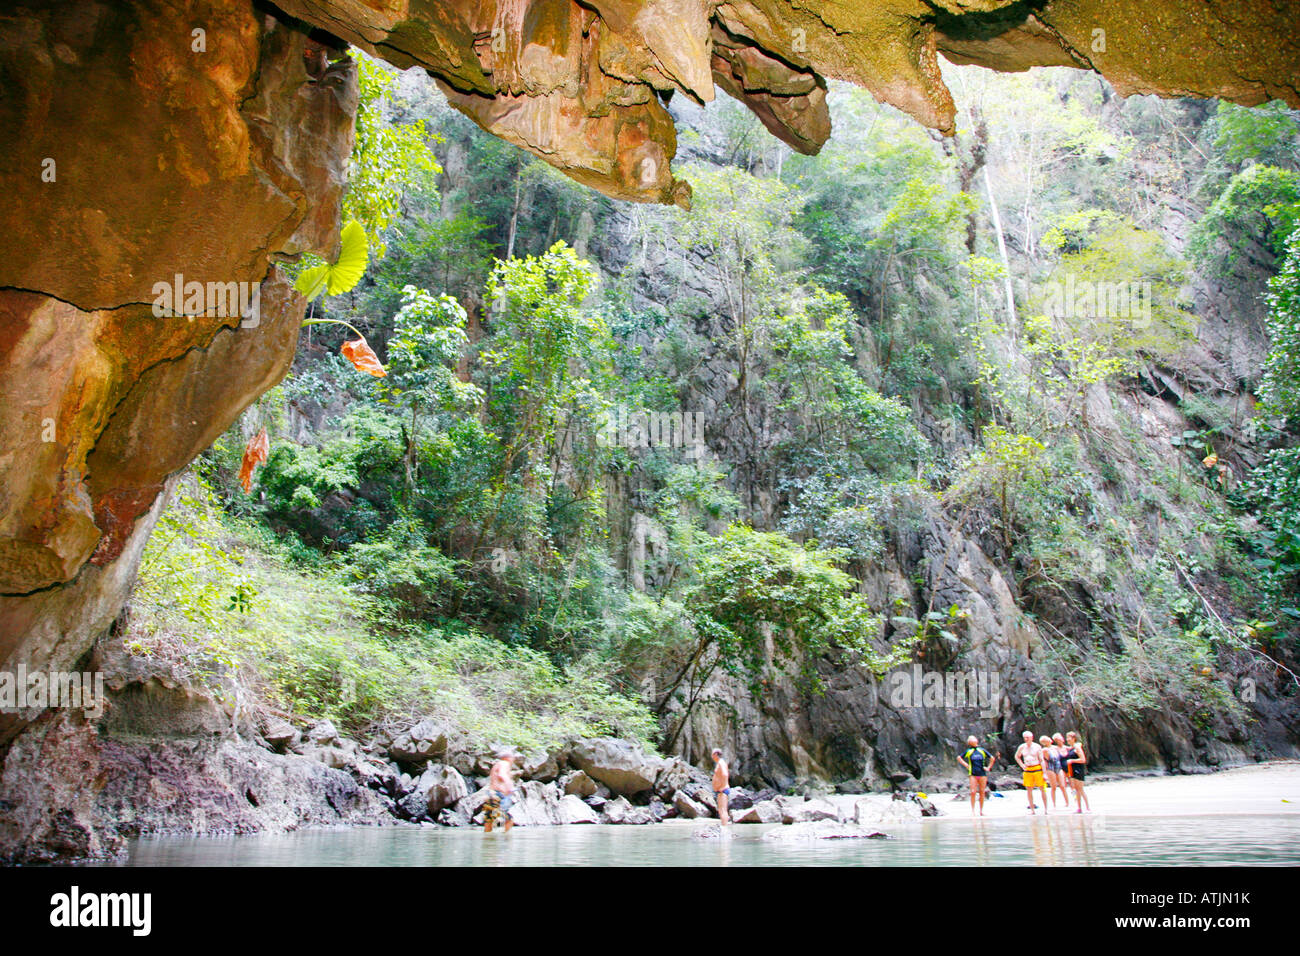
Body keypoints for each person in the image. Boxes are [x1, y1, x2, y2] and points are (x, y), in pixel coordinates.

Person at [957, 735, 996, 815]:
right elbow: (959, 758)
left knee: (982, 792)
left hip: (982, 774)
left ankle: (981, 811)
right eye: (971, 741)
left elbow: (992, 758)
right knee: (973, 792)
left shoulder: (981, 750)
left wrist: (988, 767)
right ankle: (973, 811)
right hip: (973, 774)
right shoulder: (969, 751)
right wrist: (966, 765)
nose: (973, 742)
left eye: (974, 740)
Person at [483, 751, 519, 833]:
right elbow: (502, 775)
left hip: (490, 794)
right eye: (513, 758)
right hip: (497, 795)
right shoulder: (504, 763)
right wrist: (510, 787)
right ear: (508, 758)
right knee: (509, 820)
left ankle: (487, 842)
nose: (513, 760)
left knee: (489, 820)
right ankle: (506, 842)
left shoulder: (497, 764)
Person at [1015, 730, 1048, 814]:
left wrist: (1044, 773)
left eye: (1028, 737)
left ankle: (1046, 809)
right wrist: (1022, 765)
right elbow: (1017, 756)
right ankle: (1032, 809)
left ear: (1032, 738)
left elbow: (1042, 760)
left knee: (1042, 788)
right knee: (1029, 789)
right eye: (1025, 738)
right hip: (1028, 769)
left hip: (1037, 768)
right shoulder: (1022, 747)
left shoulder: (1037, 747)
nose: (1026, 739)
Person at [1064, 731, 1091, 813]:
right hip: (1073, 770)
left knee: (1080, 789)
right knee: (1076, 789)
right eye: (1066, 737)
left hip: (1078, 769)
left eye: (1069, 737)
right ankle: (1079, 808)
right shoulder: (1071, 748)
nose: (1067, 739)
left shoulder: (1077, 747)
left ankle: (1087, 807)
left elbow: (1083, 759)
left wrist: (1072, 760)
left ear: (1073, 738)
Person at [1042, 735, 1070, 809]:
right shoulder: (1044, 750)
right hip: (1050, 768)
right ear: (1045, 742)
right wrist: (1044, 771)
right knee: (1053, 786)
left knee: (1062, 786)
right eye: (1048, 739)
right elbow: (1042, 760)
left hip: (1058, 766)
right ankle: (1054, 804)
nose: (1050, 740)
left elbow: (1065, 748)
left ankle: (1067, 802)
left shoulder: (1055, 748)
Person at [711, 748, 731, 825]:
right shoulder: (720, 763)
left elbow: (725, 774)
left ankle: (725, 827)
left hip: (723, 789)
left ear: (716, 754)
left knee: (723, 810)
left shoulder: (721, 763)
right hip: (720, 790)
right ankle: (723, 825)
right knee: (721, 810)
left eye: (712, 754)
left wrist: (722, 786)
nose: (712, 756)